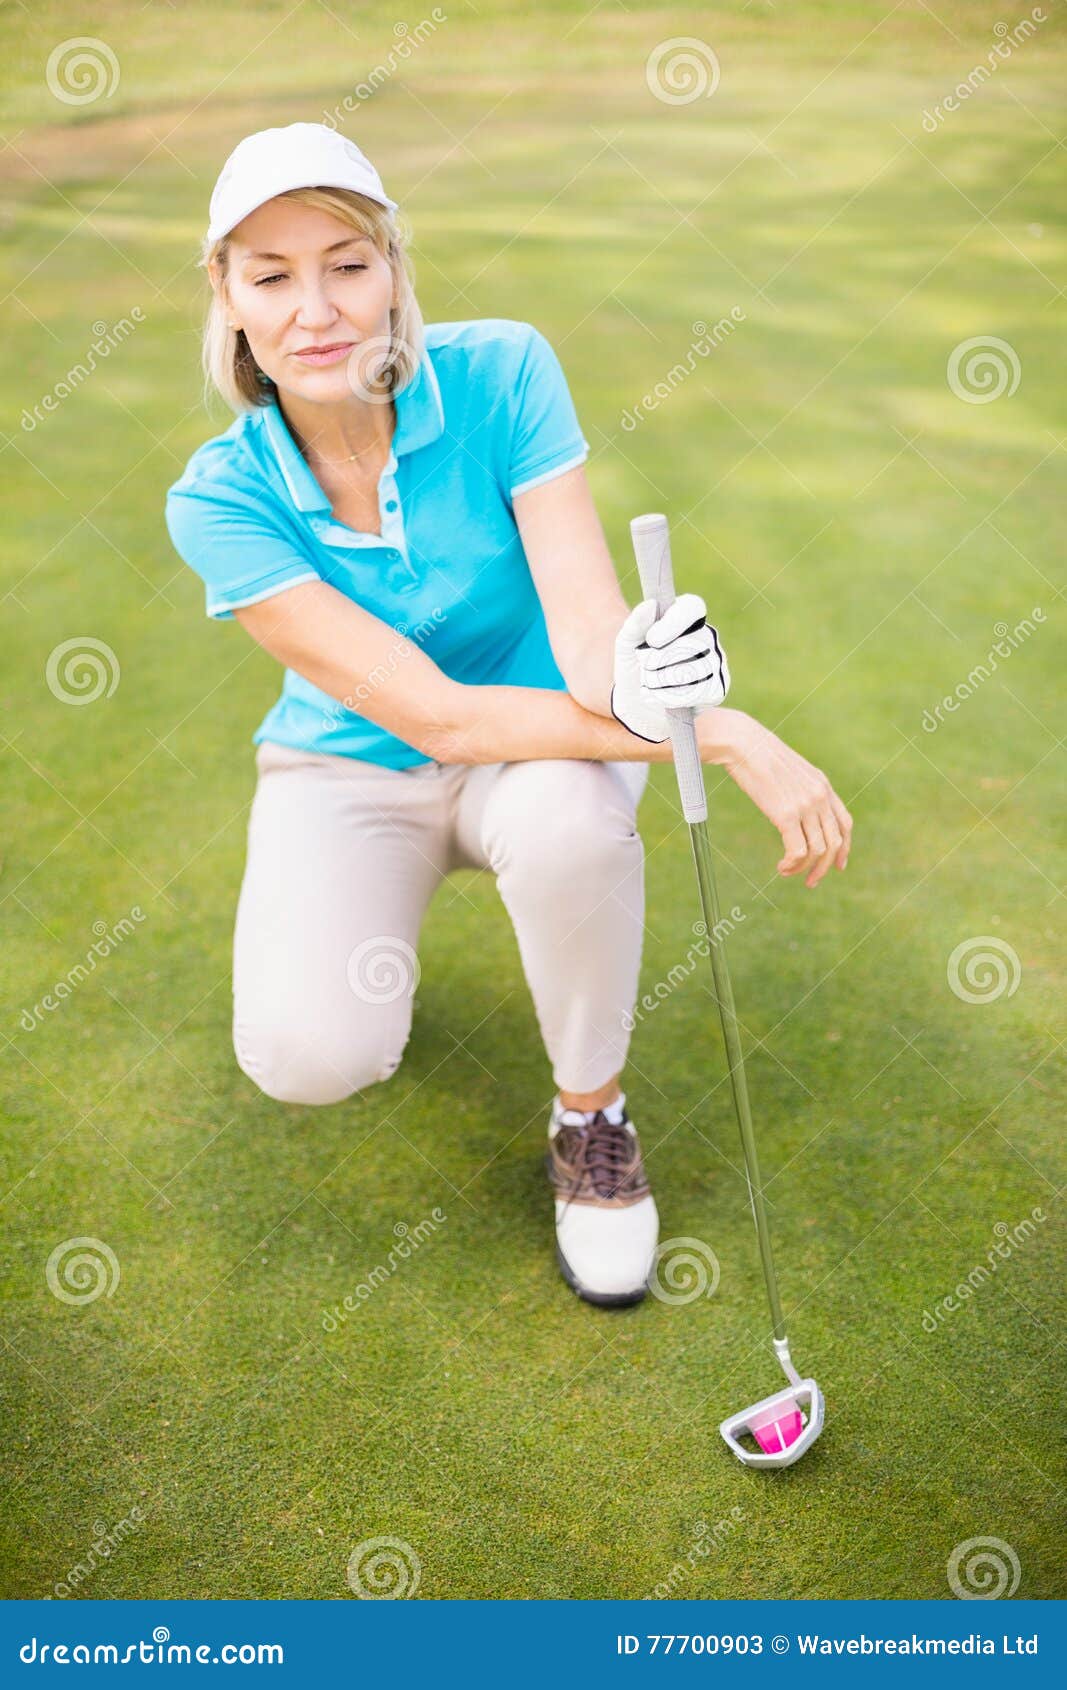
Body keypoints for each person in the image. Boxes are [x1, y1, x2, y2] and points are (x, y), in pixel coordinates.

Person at [164, 122, 853, 1309]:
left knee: (569, 828)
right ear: (226, 296)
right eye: (270, 277)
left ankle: (591, 1121)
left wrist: (642, 673)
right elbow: (436, 717)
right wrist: (720, 733)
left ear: (393, 269)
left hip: (538, 752)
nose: (316, 310)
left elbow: (586, 637)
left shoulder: (502, 372)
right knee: (308, 1057)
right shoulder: (217, 498)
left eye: (347, 264)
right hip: (346, 769)